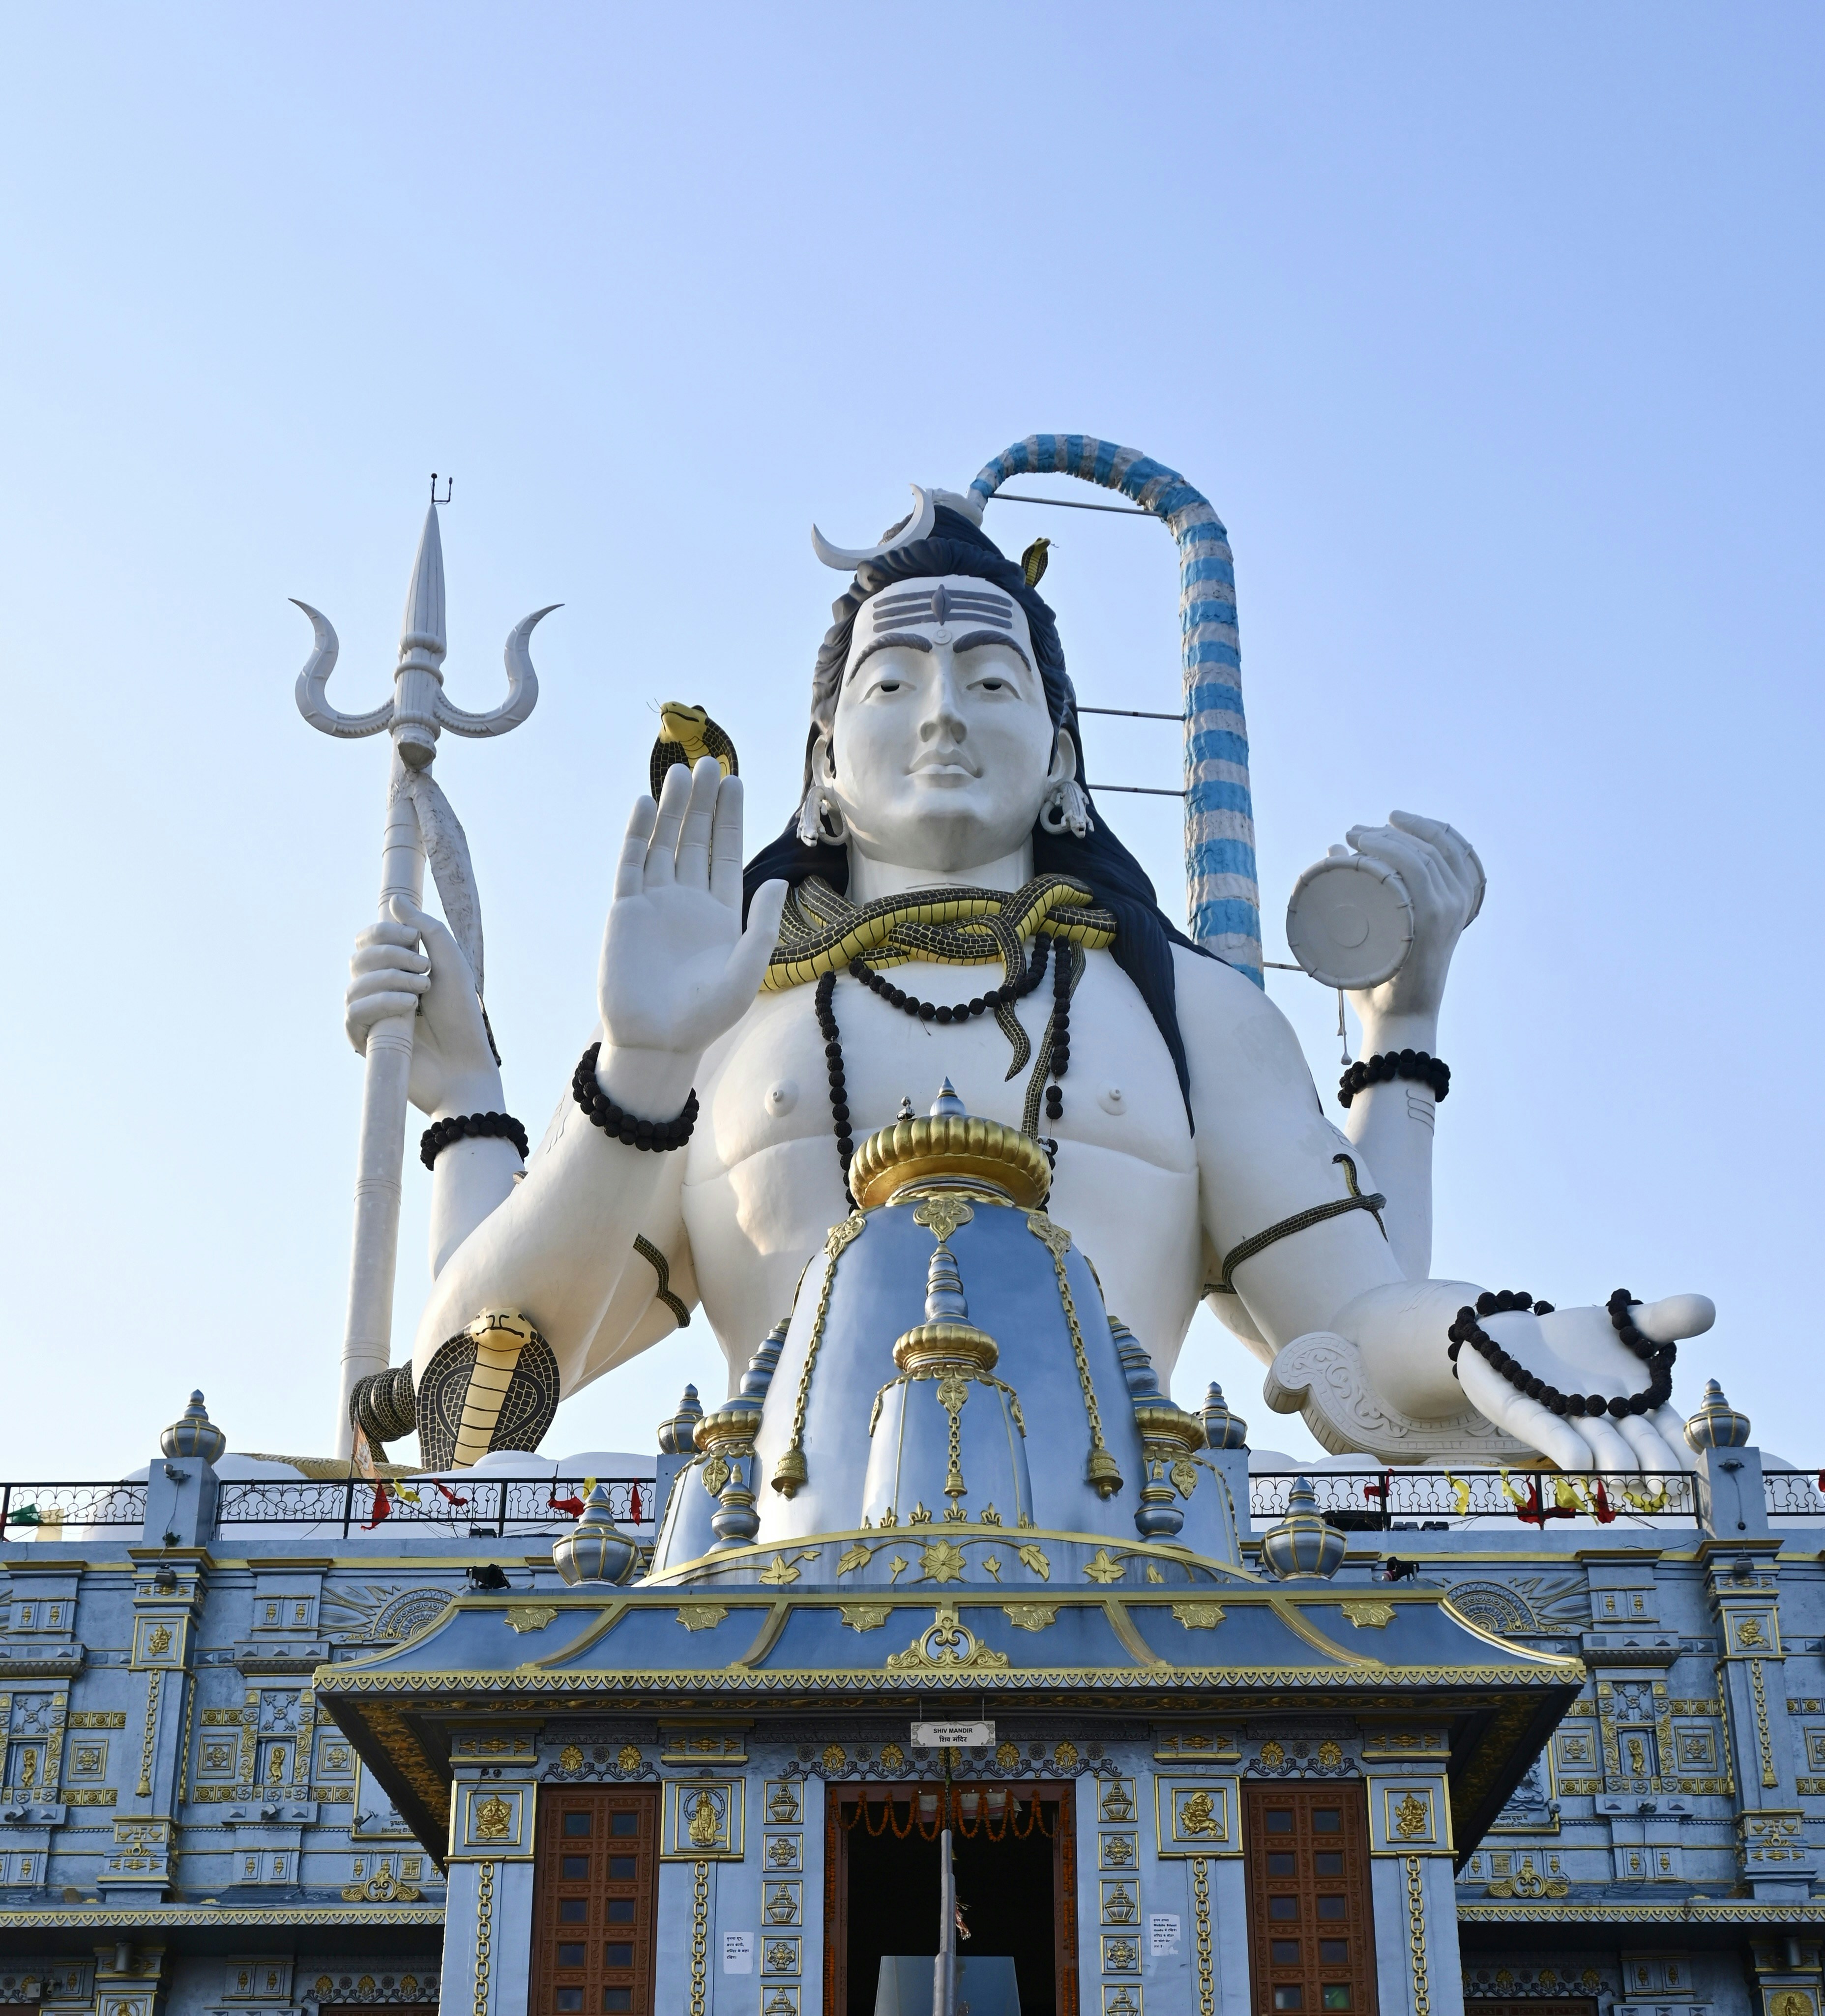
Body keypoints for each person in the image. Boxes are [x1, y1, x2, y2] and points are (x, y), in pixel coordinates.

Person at [346, 501, 1709, 1475]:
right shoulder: (726, 1017)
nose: (943, 712)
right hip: (759, 1604)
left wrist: (1484, 1339)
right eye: (894, 680)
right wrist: (633, 1072)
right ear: (824, 761)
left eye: (992, 680)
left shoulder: (1190, 1013)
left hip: (1137, 1614)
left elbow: (1349, 1332)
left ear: (1062, 756)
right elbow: (478, 1395)